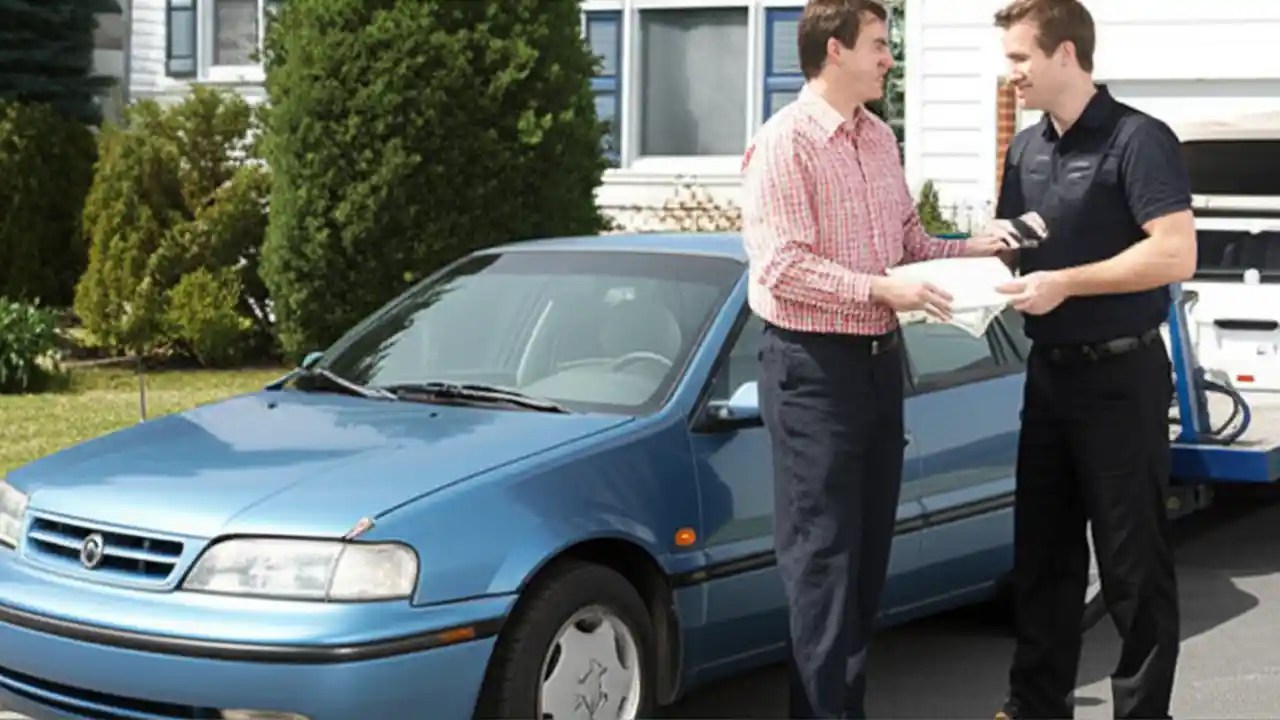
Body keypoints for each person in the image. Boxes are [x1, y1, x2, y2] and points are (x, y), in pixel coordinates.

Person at [739, 1, 1007, 716]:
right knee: (822, 565)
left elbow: (911, 245)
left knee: (864, 563)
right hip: (812, 373)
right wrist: (881, 289)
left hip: (881, 367)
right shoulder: (783, 145)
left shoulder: (880, 139)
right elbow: (781, 269)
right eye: (881, 44)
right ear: (835, 51)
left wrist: (978, 247)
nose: (890, 57)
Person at [987, 1, 1198, 718]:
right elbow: (1016, 243)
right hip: (1048, 378)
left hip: (1121, 380)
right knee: (1042, 562)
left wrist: (1065, 283)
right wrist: (976, 263)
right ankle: (1035, 707)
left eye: (1021, 58)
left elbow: (1175, 252)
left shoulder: (1140, 140)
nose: (1010, 72)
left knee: (1133, 569)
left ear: (1067, 55)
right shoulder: (1026, 149)